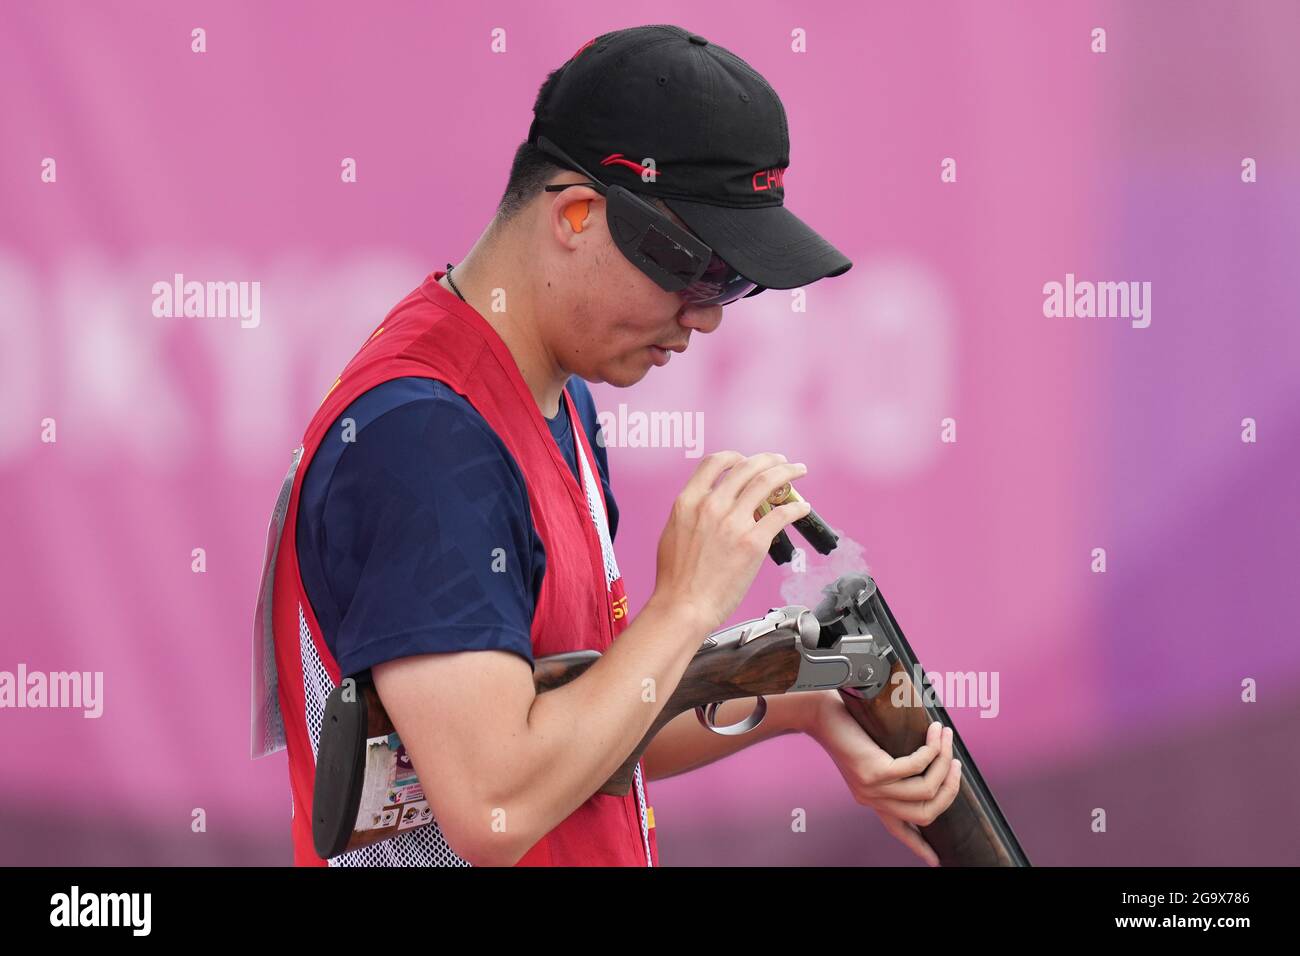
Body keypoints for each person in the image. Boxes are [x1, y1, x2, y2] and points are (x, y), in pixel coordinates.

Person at [256, 23, 960, 868]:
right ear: (577, 214)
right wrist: (686, 607)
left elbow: (589, 729)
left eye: (734, 284)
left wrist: (801, 699)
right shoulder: (425, 436)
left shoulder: (552, 400)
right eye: (698, 269)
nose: (706, 316)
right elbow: (496, 801)